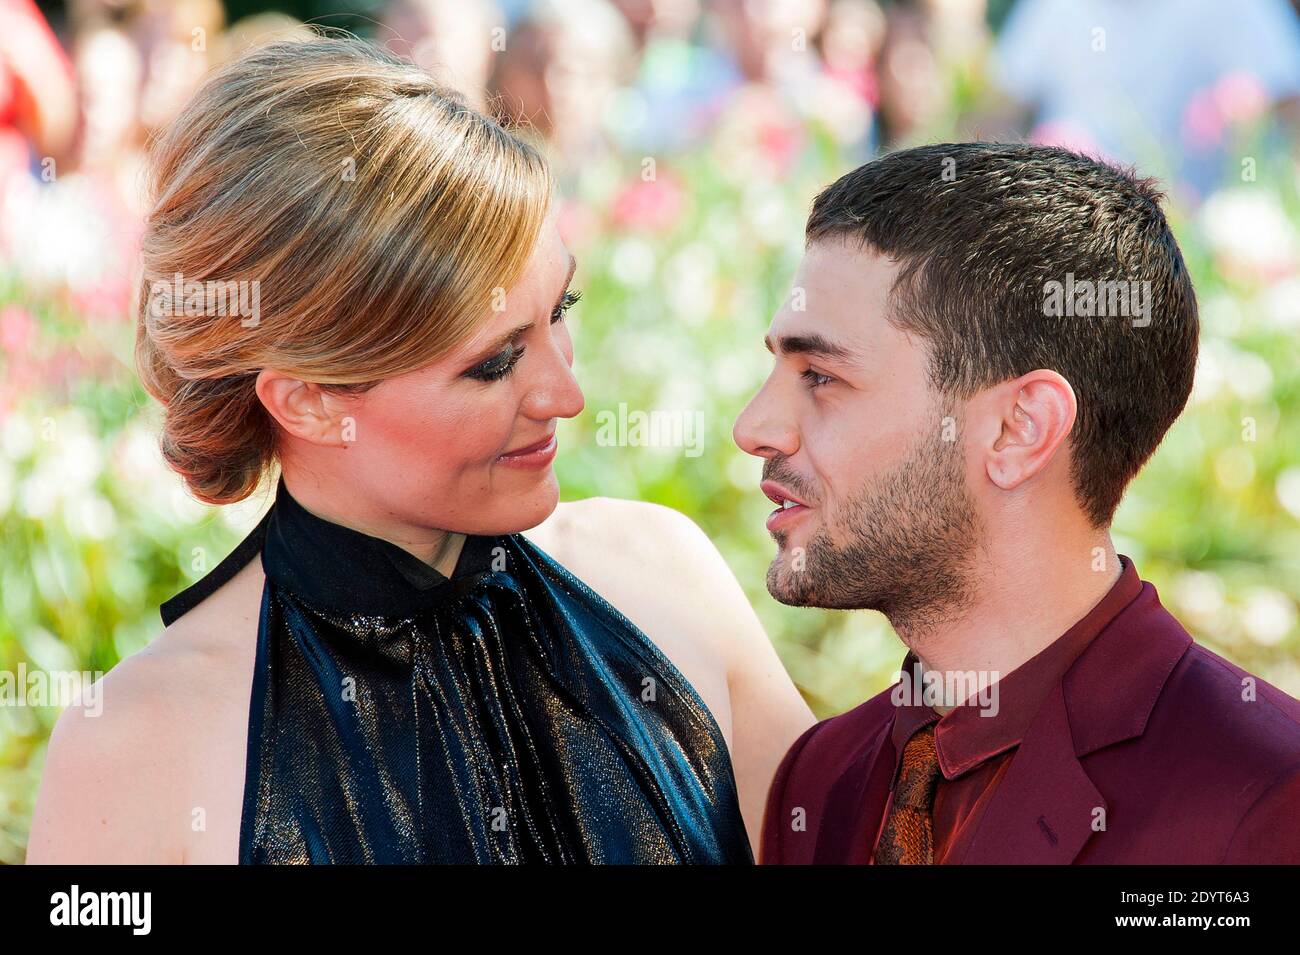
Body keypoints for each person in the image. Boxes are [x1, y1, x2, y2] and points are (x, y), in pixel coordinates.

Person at [25, 34, 813, 864]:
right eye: (495, 363)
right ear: (308, 400)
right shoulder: (138, 746)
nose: (565, 396)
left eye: (562, 308)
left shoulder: (664, 577)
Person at [735, 142, 1300, 864]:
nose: (754, 427)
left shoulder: (1264, 802)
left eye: (820, 375)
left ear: (1019, 429)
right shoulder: (820, 779)